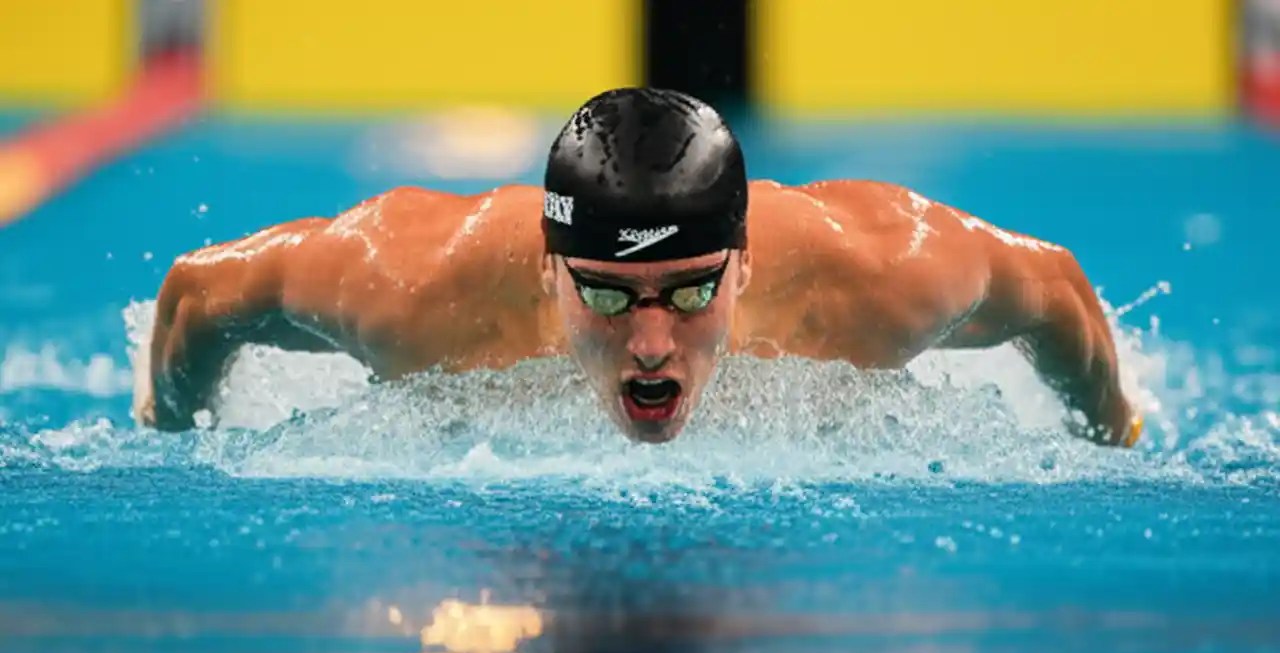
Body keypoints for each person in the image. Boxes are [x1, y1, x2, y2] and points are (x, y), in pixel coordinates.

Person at [134, 87, 1143, 447]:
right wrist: (169, 438)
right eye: (607, 297)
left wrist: (1115, 435)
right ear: (547, 268)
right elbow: (195, 295)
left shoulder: (873, 278)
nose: (650, 344)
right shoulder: (410, 287)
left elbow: (1052, 290)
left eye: (692, 289)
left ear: (743, 263)